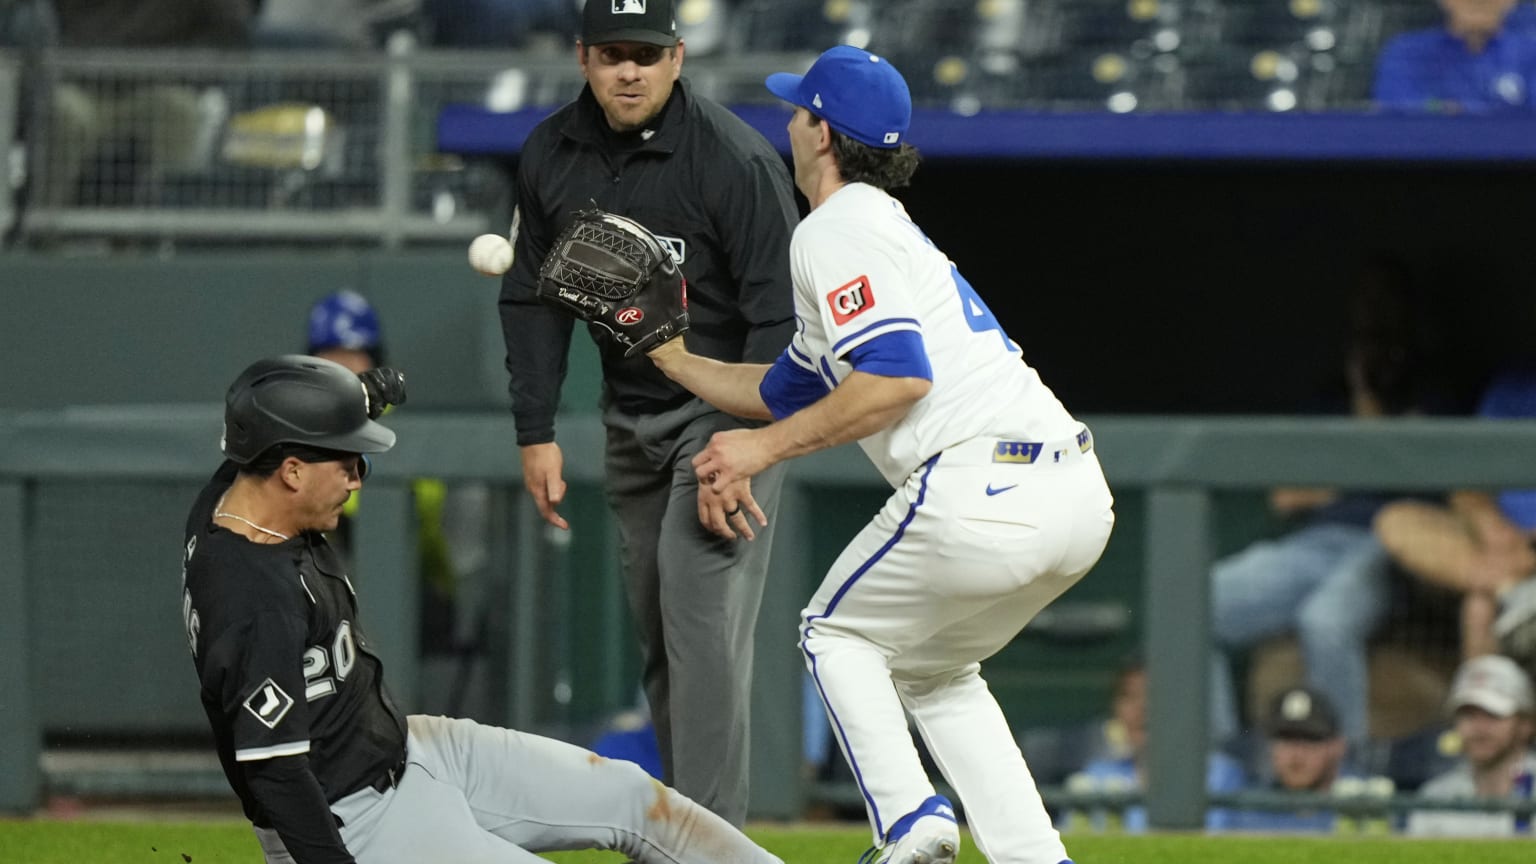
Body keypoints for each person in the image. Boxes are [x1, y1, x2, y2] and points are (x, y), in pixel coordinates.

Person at [644, 44, 1116, 864]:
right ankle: (1035, 857)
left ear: (822, 133)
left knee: (833, 632)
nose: (789, 124)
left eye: (798, 111)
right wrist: (674, 356)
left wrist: (756, 452)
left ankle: (911, 825)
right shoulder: (880, 231)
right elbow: (787, 390)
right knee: (936, 671)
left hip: (985, 486)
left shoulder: (837, 229)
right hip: (1072, 495)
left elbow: (895, 378)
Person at [179, 354, 784, 864]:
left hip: (411, 749)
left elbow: (268, 423)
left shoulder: (240, 489)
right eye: (347, 460)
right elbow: (276, 774)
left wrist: (360, 395)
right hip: (353, 820)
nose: (358, 477)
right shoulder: (252, 601)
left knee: (631, 796)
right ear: (290, 470)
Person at [496, 0, 798, 826]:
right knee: (664, 643)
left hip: (721, 412)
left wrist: (750, 442)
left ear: (679, 57)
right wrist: (536, 430)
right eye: (613, 54)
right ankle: (691, 828)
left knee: (700, 634)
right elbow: (533, 298)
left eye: (647, 53)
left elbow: (781, 314)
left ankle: (710, 843)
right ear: (584, 56)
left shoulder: (733, 159)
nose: (630, 70)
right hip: (629, 414)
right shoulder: (551, 151)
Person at [1209, 267, 1443, 756]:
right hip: (1316, 544)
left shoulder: (1431, 391)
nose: (1377, 342)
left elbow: (1410, 484)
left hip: (1388, 544)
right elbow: (1287, 495)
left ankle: (1349, 775)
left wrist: (1367, 422)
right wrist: (1361, 434)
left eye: (1387, 323)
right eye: (1368, 326)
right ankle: (1217, 757)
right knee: (1199, 604)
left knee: (1326, 621)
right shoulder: (1330, 396)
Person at [1373, 359, 1536, 668]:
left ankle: (1518, 594)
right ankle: (1516, 592)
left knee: (1479, 608)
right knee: (1397, 520)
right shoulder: (1514, 387)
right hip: (1502, 548)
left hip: (1523, 548)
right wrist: (1490, 525)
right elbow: (1468, 484)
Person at [1059, 660, 1245, 835]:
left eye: (1155, 696)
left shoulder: (1221, 773)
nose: (1142, 708)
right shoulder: (1096, 774)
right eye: (1130, 697)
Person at [1406, 654, 1536, 836]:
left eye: (1493, 714)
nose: (1479, 727)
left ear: (1526, 725)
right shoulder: (1435, 797)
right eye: (1468, 714)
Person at [1225, 686, 1376, 833]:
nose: (1296, 754)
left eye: (1310, 740)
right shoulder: (1250, 810)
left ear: (1338, 746)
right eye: (1286, 739)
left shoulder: (1369, 806)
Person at [1373, 0, 1536, 112]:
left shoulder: (1530, 53)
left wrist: (1459, 110)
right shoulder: (1406, 51)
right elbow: (1396, 106)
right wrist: (1441, 108)